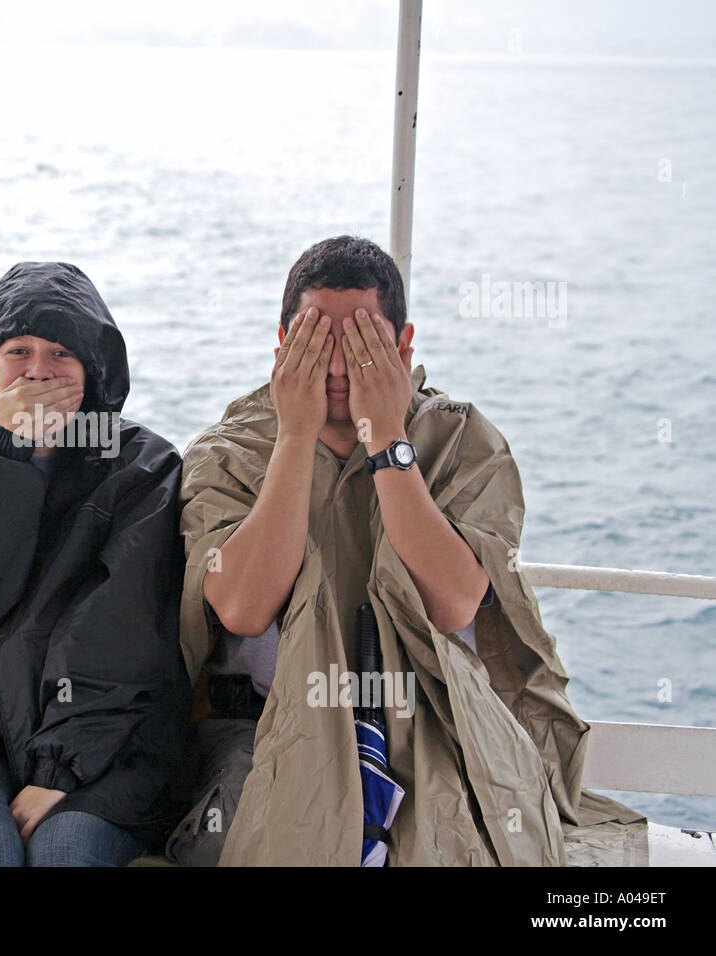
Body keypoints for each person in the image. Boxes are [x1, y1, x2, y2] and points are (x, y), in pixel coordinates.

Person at [170, 235, 642, 866]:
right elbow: (243, 608)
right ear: (283, 347)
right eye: (317, 345)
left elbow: (454, 604)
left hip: (428, 715)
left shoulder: (457, 438)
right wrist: (295, 438)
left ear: (402, 347)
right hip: (264, 723)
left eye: (360, 345)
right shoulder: (231, 451)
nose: (338, 369)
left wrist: (388, 439)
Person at [0, 261, 191, 867]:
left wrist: (61, 769)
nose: (37, 371)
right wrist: (8, 451)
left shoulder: (143, 465)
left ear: (94, 371)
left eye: (61, 354)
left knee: (65, 853)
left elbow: (122, 634)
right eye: (18, 351)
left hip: (108, 738)